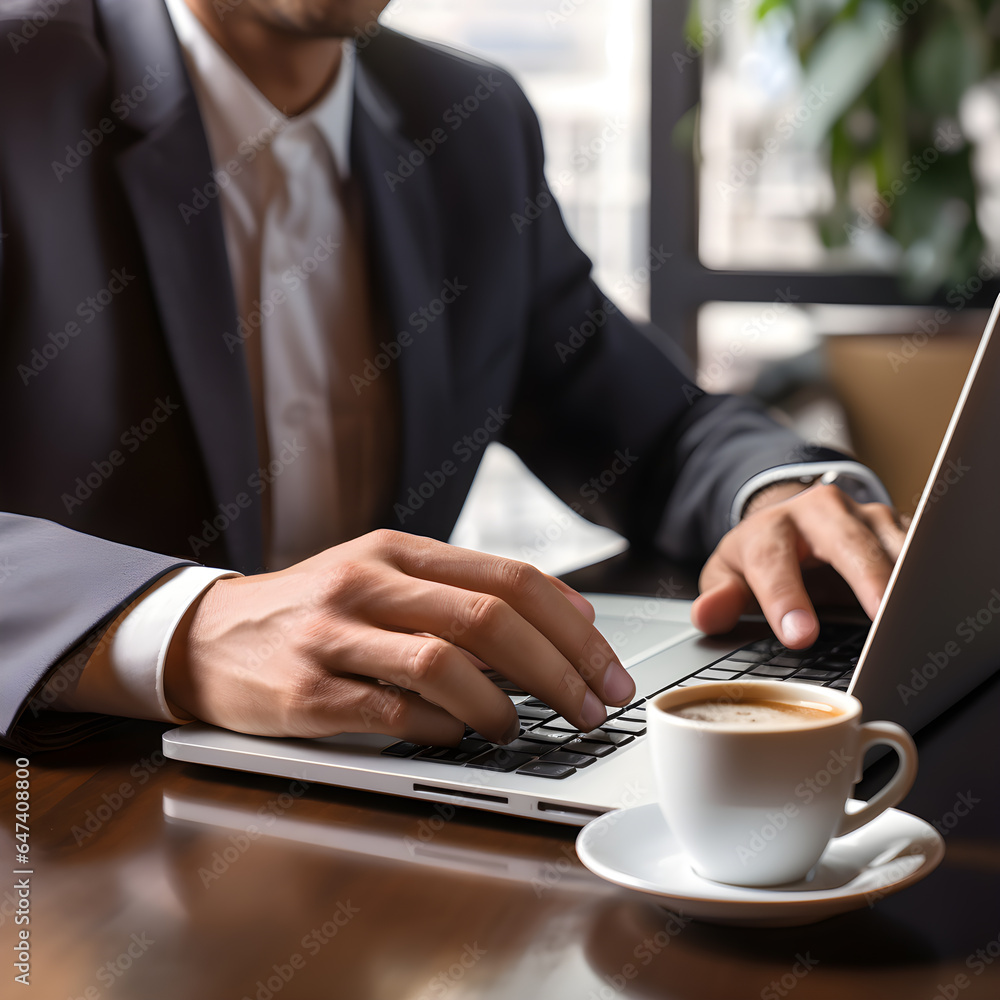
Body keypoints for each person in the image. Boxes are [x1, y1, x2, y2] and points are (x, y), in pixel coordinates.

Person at [0, 0, 904, 754]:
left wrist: (776, 495)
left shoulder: (469, 120)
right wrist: (187, 628)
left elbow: (657, 433)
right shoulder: (18, 83)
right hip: (70, 824)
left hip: (396, 799)